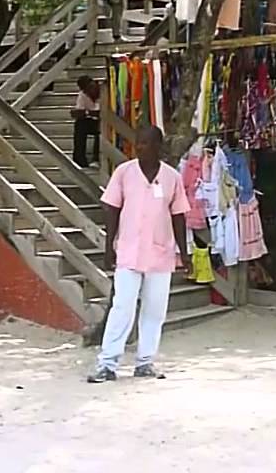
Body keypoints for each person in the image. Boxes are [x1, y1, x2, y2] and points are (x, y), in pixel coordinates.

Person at [88, 126, 191, 384]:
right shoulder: (124, 172)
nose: (140, 147)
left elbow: (178, 216)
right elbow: (111, 208)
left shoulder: (171, 177)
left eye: (146, 143)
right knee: (122, 307)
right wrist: (108, 245)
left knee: (155, 310)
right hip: (129, 251)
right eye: (138, 143)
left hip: (160, 252)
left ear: (159, 146)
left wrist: (184, 253)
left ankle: (145, 362)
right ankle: (107, 363)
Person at [71, 75, 101, 168]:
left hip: (105, 122)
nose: (89, 92)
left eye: (91, 88)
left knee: (101, 128)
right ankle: (79, 159)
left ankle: (96, 158)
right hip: (92, 120)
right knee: (80, 125)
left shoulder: (105, 92)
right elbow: (80, 111)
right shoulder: (82, 95)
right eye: (86, 90)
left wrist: (90, 113)